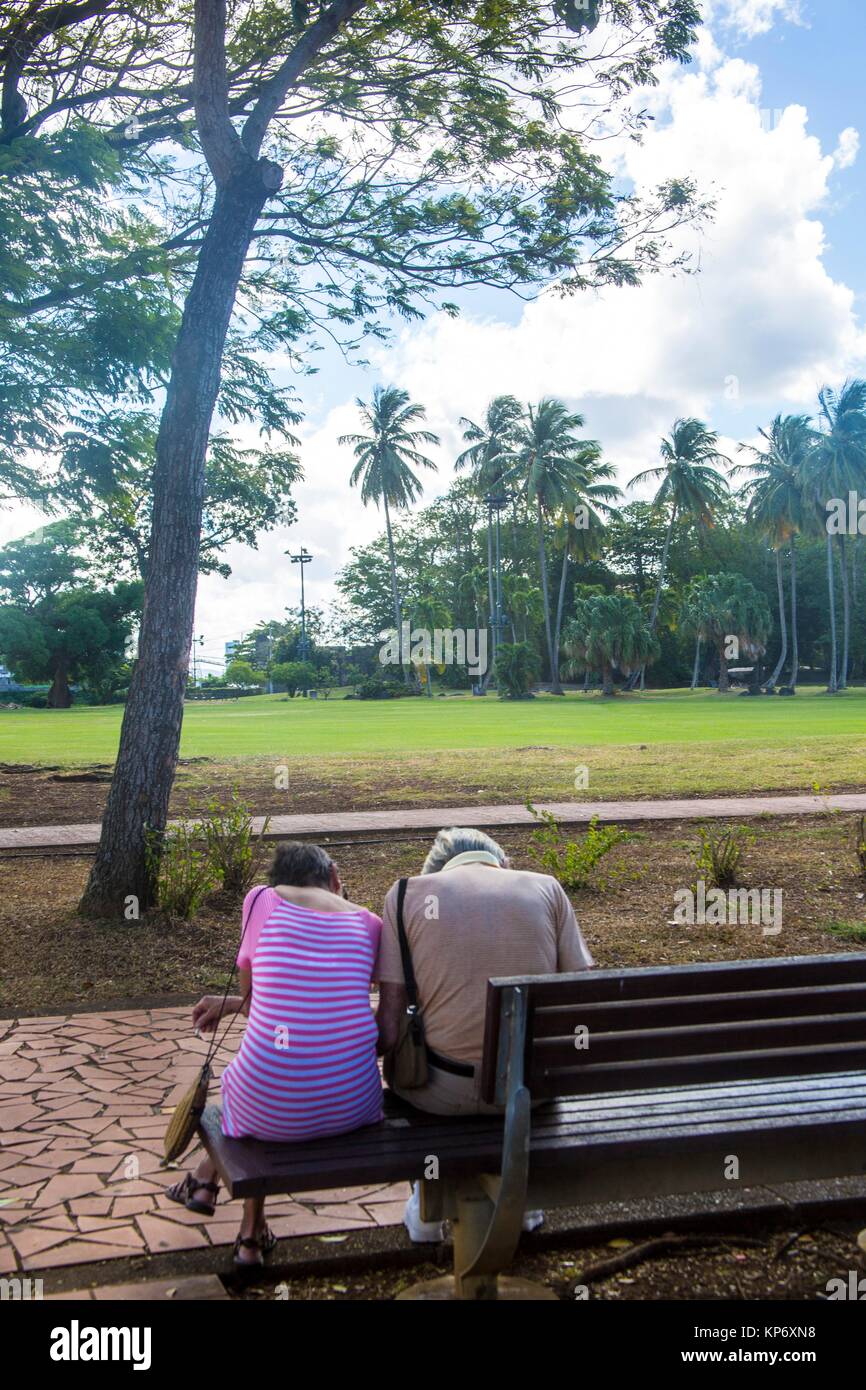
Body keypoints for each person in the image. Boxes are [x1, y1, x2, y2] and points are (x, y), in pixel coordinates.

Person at [166, 841, 383, 1267]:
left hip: (268, 1109)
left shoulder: (260, 899)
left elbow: (253, 1000)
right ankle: (247, 1232)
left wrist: (228, 1002)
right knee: (276, 1069)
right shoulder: (370, 923)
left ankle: (208, 1183)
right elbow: (329, 993)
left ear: (278, 881)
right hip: (353, 1104)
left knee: (260, 1079)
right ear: (335, 876)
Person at [375, 826, 593, 1240]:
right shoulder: (546, 888)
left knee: (414, 1075)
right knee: (513, 1073)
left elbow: (388, 1030)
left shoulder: (406, 894)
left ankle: (427, 1204)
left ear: (433, 871)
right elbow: (577, 1000)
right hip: (528, 1092)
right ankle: (519, 1200)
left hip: (439, 1090)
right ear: (502, 864)